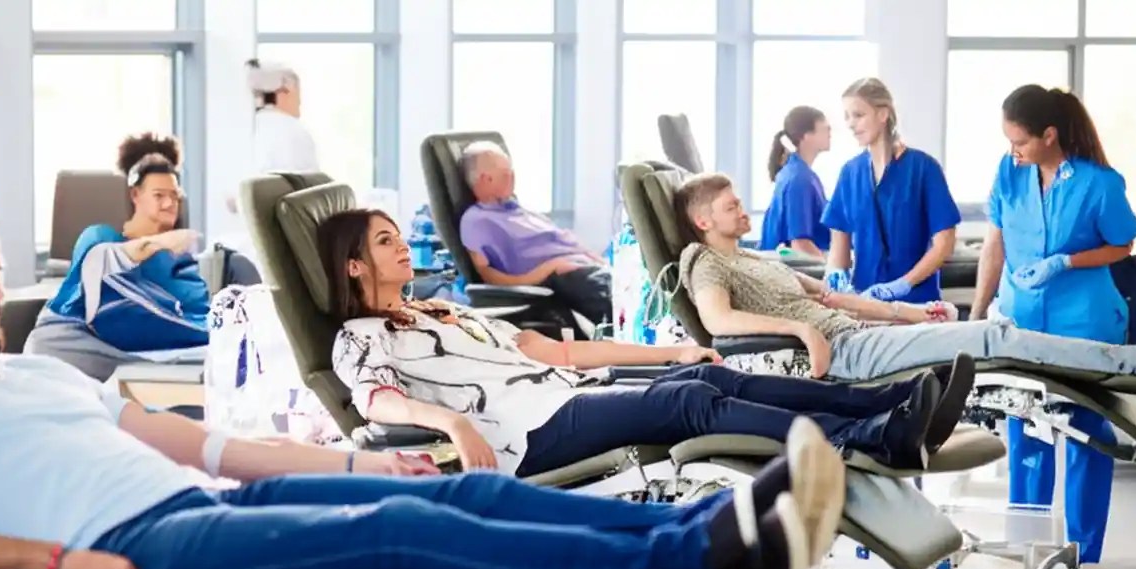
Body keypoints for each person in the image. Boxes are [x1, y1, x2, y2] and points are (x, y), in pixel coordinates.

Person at [0, 205, 855, 569]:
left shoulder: (38, 372)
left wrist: (355, 459)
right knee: (393, 535)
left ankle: (717, 528)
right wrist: (50, 561)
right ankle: (706, 560)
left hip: (201, 505)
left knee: (455, 491)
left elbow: (212, 448)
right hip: (129, 565)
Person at [324, 208, 973, 479]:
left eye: (397, 235)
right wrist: (454, 424)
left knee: (709, 377)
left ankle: (890, 404)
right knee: (688, 404)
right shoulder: (358, 336)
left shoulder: (444, 310)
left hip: (565, 397)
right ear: (354, 266)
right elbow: (376, 402)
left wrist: (673, 352)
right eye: (384, 241)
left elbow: (561, 353)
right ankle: (866, 438)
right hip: (526, 436)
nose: (401, 245)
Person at [674, 171, 1136, 394]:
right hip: (845, 353)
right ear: (702, 221)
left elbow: (834, 297)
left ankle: (1117, 363)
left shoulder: (755, 259)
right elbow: (718, 322)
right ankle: (1125, 363)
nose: (743, 211)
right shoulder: (703, 261)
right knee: (993, 337)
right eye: (731, 207)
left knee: (995, 336)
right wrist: (801, 329)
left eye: (739, 202)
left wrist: (911, 313)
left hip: (858, 335)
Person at [972, 85, 1136, 566]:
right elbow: (994, 245)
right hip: (1022, 322)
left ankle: (1084, 556)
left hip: (1084, 325)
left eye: (1020, 141)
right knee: (1026, 430)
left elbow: (1123, 245)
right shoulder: (1009, 172)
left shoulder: (1099, 183)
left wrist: (1065, 261)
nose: (1013, 151)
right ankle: (1027, 548)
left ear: (1049, 135)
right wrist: (978, 315)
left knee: (1085, 434)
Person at [25, 133, 209, 382]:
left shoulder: (181, 265)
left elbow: (197, 320)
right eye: (159, 195)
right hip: (77, 345)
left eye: (174, 195)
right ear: (135, 195)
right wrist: (155, 244)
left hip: (147, 356)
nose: (169, 203)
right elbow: (101, 263)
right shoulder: (100, 237)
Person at [821, 78, 960, 303]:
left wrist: (903, 285)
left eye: (858, 115)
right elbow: (839, 244)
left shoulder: (923, 168)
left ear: (883, 114)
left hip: (917, 304)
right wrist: (835, 278)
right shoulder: (850, 173)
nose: (850, 124)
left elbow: (944, 244)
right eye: (847, 117)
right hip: (865, 302)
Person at [458, 141, 613, 325]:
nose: (513, 178)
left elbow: (562, 241)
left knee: (633, 285)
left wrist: (594, 258)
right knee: (623, 301)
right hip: (563, 278)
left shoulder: (518, 210)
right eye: (506, 174)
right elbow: (489, 276)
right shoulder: (476, 220)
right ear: (485, 179)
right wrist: (550, 268)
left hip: (590, 268)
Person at [760, 106, 832, 258]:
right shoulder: (800, 180)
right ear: (805, 136)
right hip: (798, 269)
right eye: (825, 129)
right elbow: (800, 245)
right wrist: (834, 267)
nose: (830, 133)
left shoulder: (796, 173)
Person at [247, 59, 319, 175]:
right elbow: (312, 183)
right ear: (286, 91)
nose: (299, 102)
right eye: (298, 94)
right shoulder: (295, 132)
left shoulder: (247, 128)